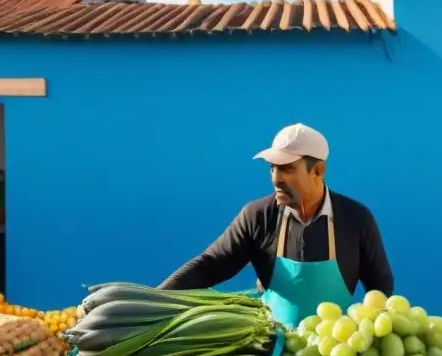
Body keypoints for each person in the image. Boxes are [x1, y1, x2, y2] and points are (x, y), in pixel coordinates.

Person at [160, 123, 394, 326]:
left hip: (332, 353)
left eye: (287, 168)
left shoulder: (356, 218)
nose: (275, 178)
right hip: (270, 348)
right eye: (272, 167)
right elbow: (210, 264)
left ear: (318, 170)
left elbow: (381, 287)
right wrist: (154, 299)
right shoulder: (257, 216)